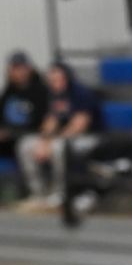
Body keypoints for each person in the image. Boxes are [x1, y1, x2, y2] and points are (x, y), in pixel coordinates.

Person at [20, 61, 103, 210]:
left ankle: (61, 193)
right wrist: (43, 142)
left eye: (58, 79)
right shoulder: (54, 94)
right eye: (51, 80)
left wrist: (52, 143)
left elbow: (79, 125)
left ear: (67, 78)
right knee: (26, 145)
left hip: (89, 137)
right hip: (63, 137)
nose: (55, 83)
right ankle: (38, 193)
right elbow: (51, 121)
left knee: (59, 147)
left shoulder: (81, 93)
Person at [0, 51, 50, 200]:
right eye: (13, 68)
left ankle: (30, 191)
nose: (16, 72)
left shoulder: (40, 90)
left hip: (27, 136)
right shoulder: (8, 90)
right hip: (7, 138)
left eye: (20, 68)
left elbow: (38, 123)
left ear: (29, 68)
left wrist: (6, 133)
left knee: (23, 145)